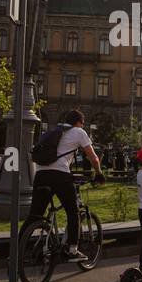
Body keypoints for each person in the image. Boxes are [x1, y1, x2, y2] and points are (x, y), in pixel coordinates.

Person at [25, 110, 104, 262]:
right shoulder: (79, 132)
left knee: (35, 215)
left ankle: (16, 249)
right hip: (60, 175)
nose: (83, 126)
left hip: (40, 174)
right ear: (79, 122)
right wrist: (99, 173)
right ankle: (72, 249)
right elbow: (93, 157)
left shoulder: (54, 130)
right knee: (73, 212)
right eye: (82, 123)